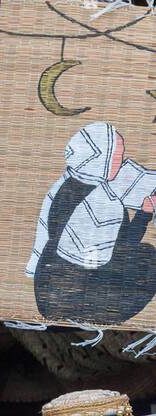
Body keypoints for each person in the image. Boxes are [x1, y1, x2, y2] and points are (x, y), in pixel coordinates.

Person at [26, 122, 156, 325]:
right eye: (117, 157)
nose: (121, 163)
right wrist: (144, 213)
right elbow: (122, 249)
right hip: (79, 298)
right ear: (100, 159)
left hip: (47, 291)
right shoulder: (101, 201)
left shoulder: (66, 184)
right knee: (149, 260)